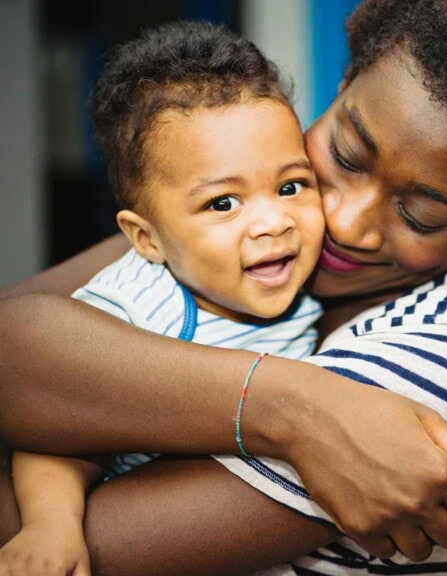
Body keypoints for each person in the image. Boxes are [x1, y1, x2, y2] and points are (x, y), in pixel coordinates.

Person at [0, 1, 447, 575]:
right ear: (341, 88)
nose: (344, 221)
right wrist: (297, 408)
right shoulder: (264, 229)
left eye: (422, 213)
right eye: (344, 152)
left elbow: (88, 549)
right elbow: (16, 335)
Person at [0, 20, 333, 576]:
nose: (273, 222)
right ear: (147, 238)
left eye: (290, 186)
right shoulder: (136, 306)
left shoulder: (313, 285)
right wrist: (51, 526)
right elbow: (58, 430)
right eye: (224, 204)